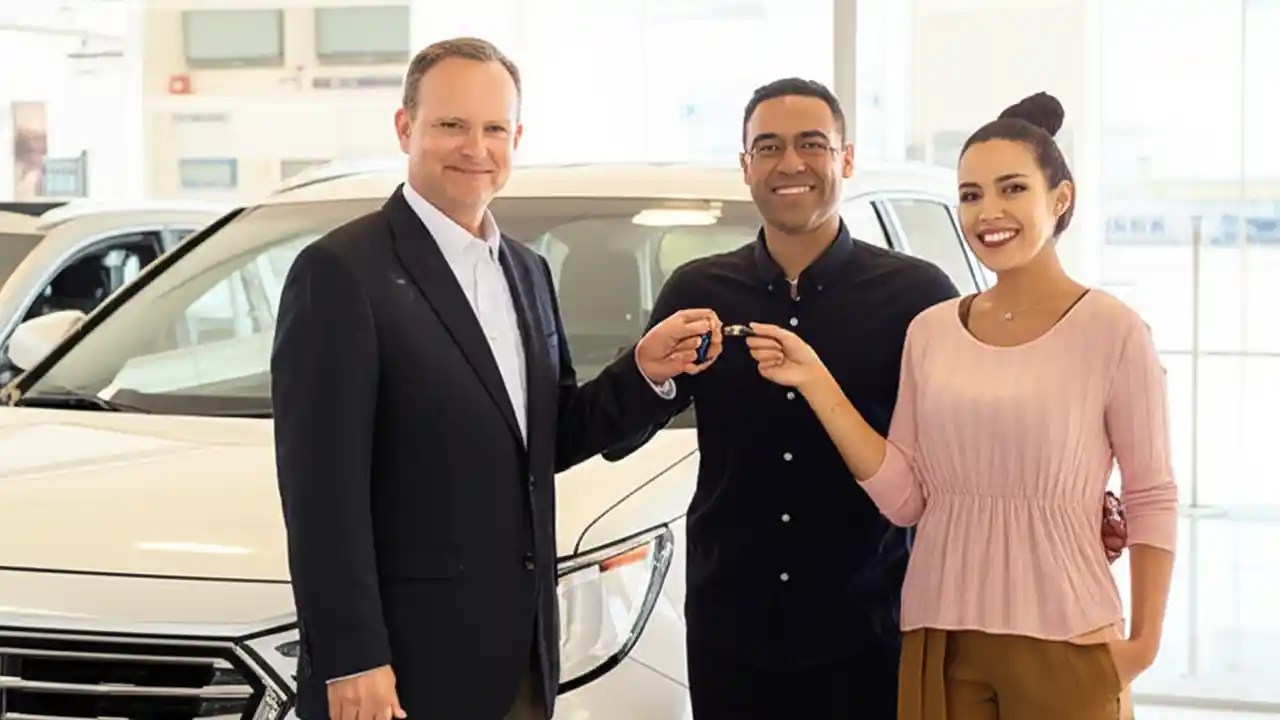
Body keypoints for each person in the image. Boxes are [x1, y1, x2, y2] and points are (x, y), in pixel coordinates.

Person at [605, 79, 1129, 719]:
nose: (790, 163)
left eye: (811, 144)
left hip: (870, 630)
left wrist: (1079, 502)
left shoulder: (917, 297)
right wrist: (648, 374)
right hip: (731, 629)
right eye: (768, 147)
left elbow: (977, 436)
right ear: (746, 165)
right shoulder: (697, 291)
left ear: (845, 159)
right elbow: (624, 439)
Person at [271, 37, 722, 720]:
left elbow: (546, 437)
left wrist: (642, 372)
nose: (474, 148)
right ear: (405, 127)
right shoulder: (341, 272)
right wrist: (351, 656)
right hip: (402, 666)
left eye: (494, 129)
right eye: (451, 124)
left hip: (521, 654)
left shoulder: (526, 270)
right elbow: (320, 493)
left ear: (517, 138)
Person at [744, 92, 1177, 719]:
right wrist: (815, 381)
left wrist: (1144, 644)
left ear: (1061, 198)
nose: (988, 212)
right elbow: (908, 500)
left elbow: (1151, 493)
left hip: (1069, 637)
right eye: (971, 195)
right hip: (939, 637)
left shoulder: (1113, 331)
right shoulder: (932, 330)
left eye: (1012, 189)